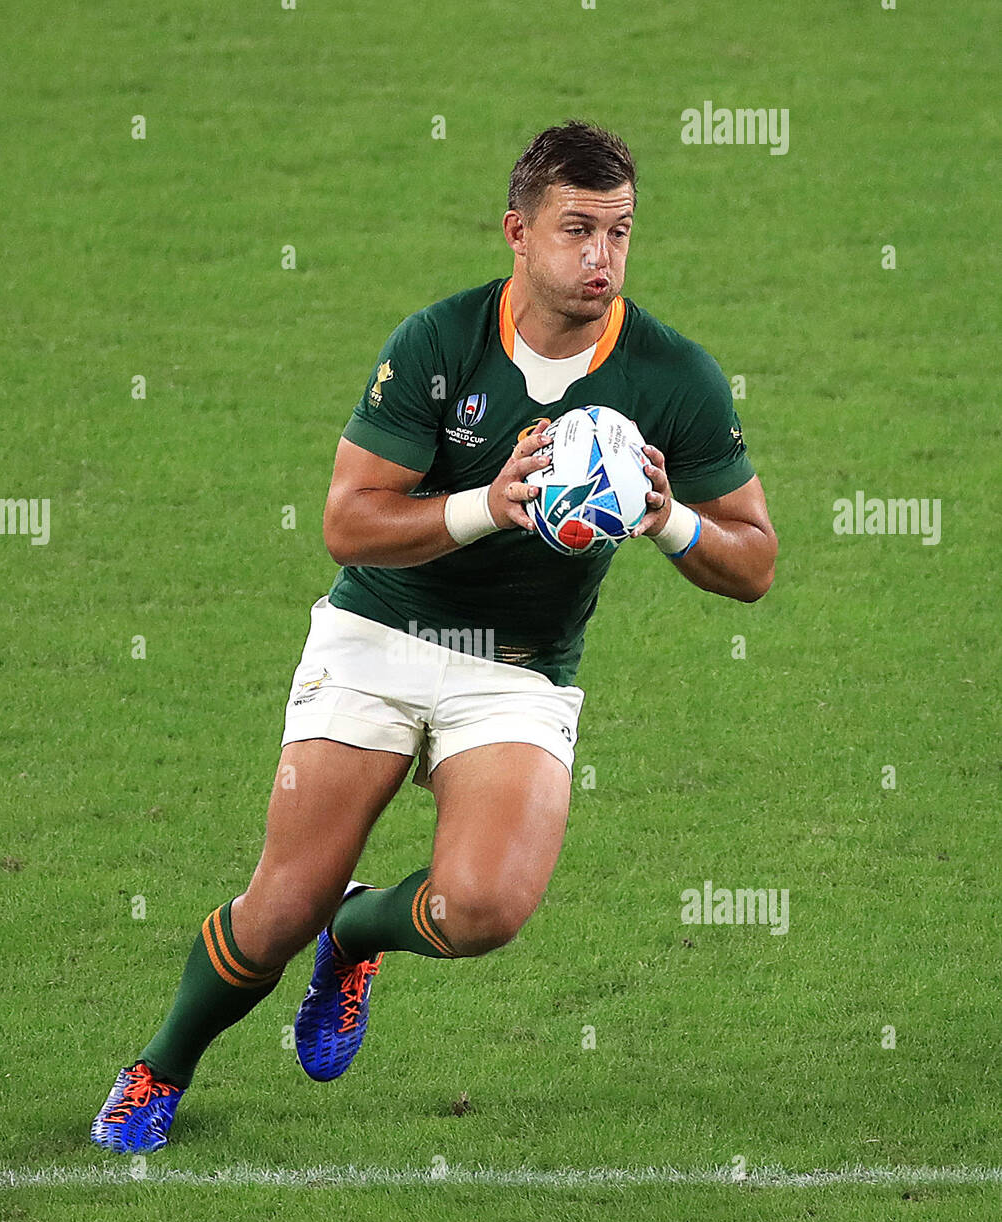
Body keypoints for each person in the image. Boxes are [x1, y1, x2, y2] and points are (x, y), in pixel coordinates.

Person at [91, 120, 777, 1152]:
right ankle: (160, 1066)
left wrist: (664, 517)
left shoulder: (672, 377)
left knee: (483, 907)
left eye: (620, 233)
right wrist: (485, 504)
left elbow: (756, 560)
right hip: (378, 630)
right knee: (278, 906)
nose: (600, 258)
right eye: (576, 230)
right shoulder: (437, 343)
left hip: (516, 670)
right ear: (518, 231)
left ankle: (358, 930)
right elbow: (346, 518)